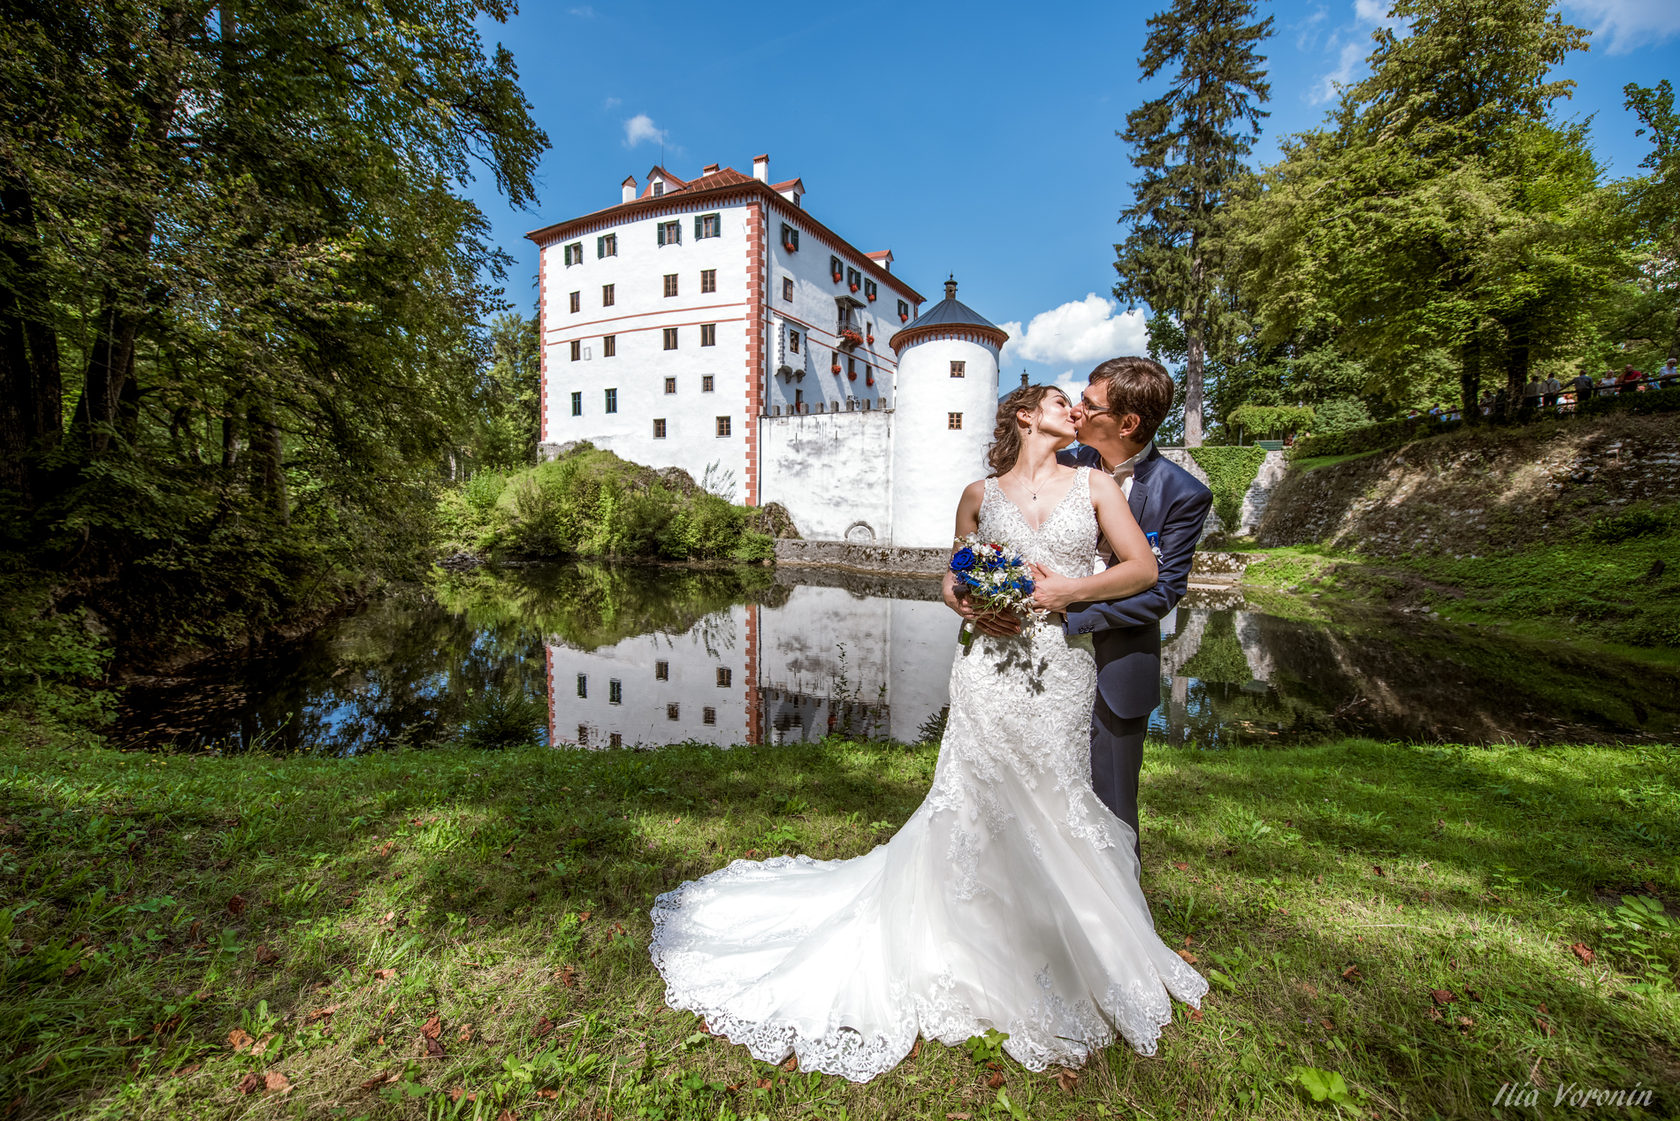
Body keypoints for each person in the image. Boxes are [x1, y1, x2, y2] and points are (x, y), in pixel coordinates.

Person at [648, 385, 1208, 1081]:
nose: (1076, 409)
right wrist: (969, 604)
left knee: (1054, 791)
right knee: (973, 794)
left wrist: (1064, 592)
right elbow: (955, 573)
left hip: (1060, 666)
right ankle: (965, 933)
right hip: (985, 668)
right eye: (1062, 400)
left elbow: (1143, 569)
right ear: (1027, 414)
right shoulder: (977, 492)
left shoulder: (1095, 482)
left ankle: (1065, 937)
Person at [1029, 357, 1214, 863]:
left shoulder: (1184, 494)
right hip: (1040, 654)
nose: (1078, 410)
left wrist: (1074, 604)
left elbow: (1164, 591)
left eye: (1089, 404)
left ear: (1127, 423)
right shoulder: (1059, 470)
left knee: (1112, 802)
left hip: (1119, 661)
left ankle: (1118, 920)